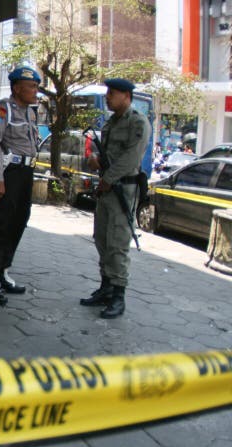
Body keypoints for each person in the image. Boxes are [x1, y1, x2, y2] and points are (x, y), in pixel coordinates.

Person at [81, 78, 152, 318]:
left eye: (112, 94)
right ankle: (106, 288)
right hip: (106, 189)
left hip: (123, 190)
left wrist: (108, 177)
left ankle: (118, 296)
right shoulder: (110, 123)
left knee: (118, 243)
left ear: (126, 96)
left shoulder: (138, 122)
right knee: (101, 239)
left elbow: (131, 158)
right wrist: (97, 163)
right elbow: (109, 156)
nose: (108, 97)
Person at [0, 66, 41, 305]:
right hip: (8, 173)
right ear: (17, 88)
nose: (36, 91)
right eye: (31, 87)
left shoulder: (30, 113)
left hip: (26, 173)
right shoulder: (3, 109)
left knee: (18, 222)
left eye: (36, 86)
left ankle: (3, 270)